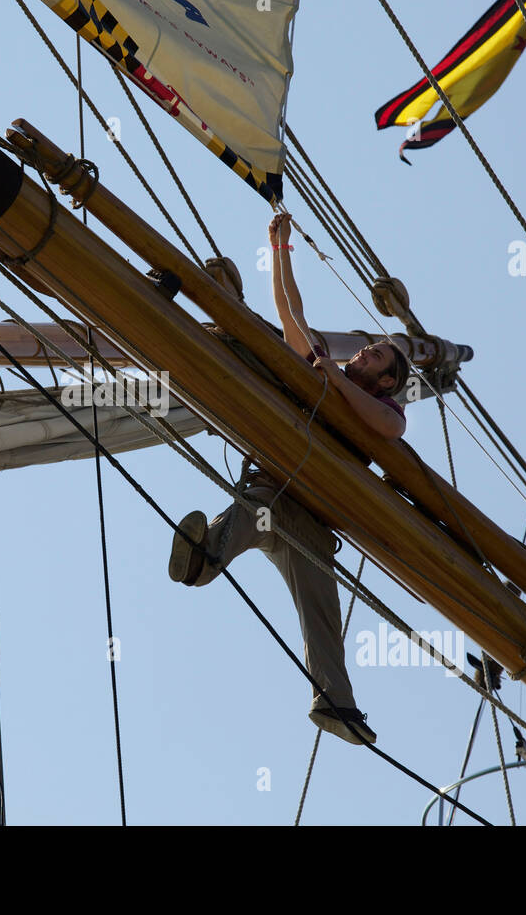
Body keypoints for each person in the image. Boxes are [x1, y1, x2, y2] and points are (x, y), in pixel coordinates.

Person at [167, 212, 408, 745]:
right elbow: (290, 313)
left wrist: (333, 380)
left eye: (378, 354)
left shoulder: (385, 409)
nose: (365, 350)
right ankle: (202, 561)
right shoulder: (320, 367)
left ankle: (335, 705)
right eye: (369, 346)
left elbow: (385, 426)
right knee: (249, 516)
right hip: (276, 487)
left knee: (322, 614)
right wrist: (280, 249)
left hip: (314, 516)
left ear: (388, 378)